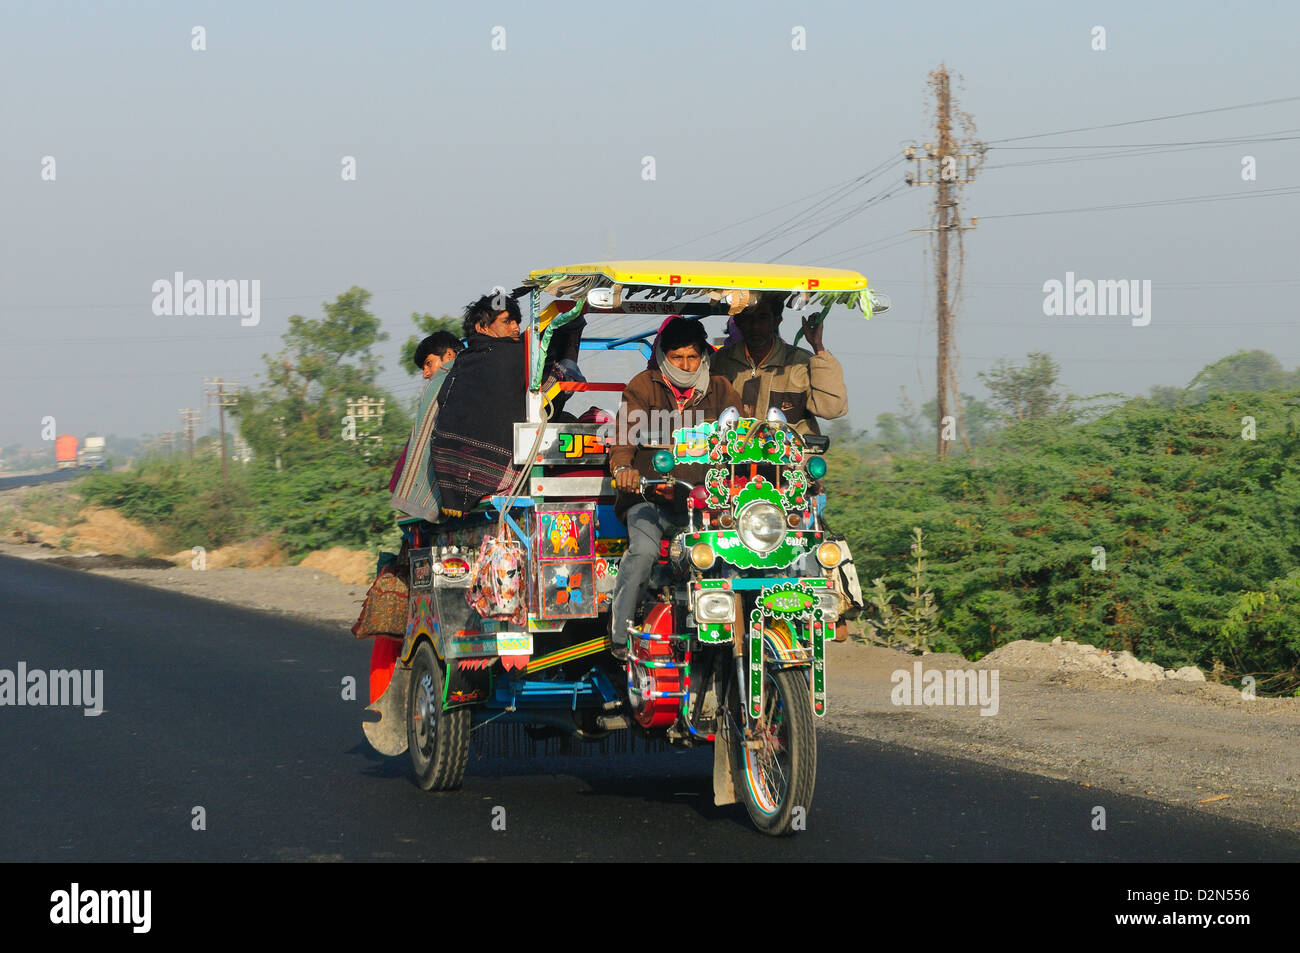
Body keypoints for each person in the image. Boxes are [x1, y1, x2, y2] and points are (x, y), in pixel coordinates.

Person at [607, 317, 743, 659]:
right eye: (678, 357)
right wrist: (624, 468)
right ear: (664, 356)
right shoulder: (644, 385)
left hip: (705, 501)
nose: (685, 364)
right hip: (651, 497)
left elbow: (741, 437)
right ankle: (621, 634)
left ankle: (743, 632)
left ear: (703, 357)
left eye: (692, 357)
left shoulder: (722, 389)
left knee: (739, 558)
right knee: (643, 553)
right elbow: (625, 435)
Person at [429, 292, 527, 518]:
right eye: (507, 321)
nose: (515, 328)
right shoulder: (513, 355)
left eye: (517, 322)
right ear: (482, 327)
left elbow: (444, 400)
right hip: (493, 471)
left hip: (447, 470)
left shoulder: (463, 361)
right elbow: (559, 378)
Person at [711, 292, 848, 435]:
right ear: (738, 322)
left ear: (776, 321)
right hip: (732, 453)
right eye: (748, 318)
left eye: (762, 318)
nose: (755, 326)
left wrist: (818, 347)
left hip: (792, 455)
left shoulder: (800, 363)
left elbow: (832, 409)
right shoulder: (719, 363)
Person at [389, 331, 463, 511]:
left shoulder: (452, 380)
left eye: (429, 364)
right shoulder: (440, 387)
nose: (426, 374)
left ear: (449, 355)